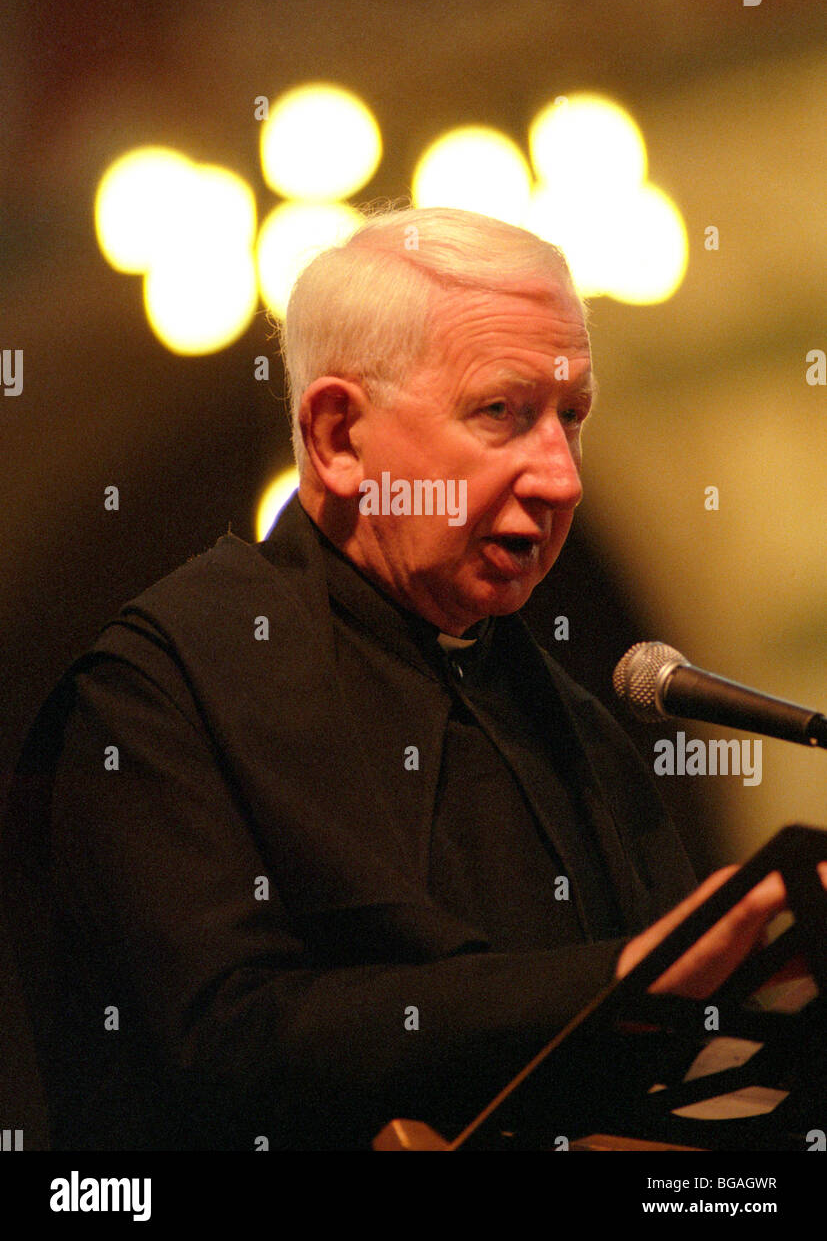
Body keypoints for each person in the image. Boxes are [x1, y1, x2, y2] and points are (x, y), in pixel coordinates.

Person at [0, 207, 799, 1151]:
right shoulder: (159, 688)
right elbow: (225, 1044)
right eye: (503, 412)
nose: (562, 478)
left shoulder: (572, 723)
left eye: (571, 418)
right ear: (339, 438)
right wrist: (621, 977)